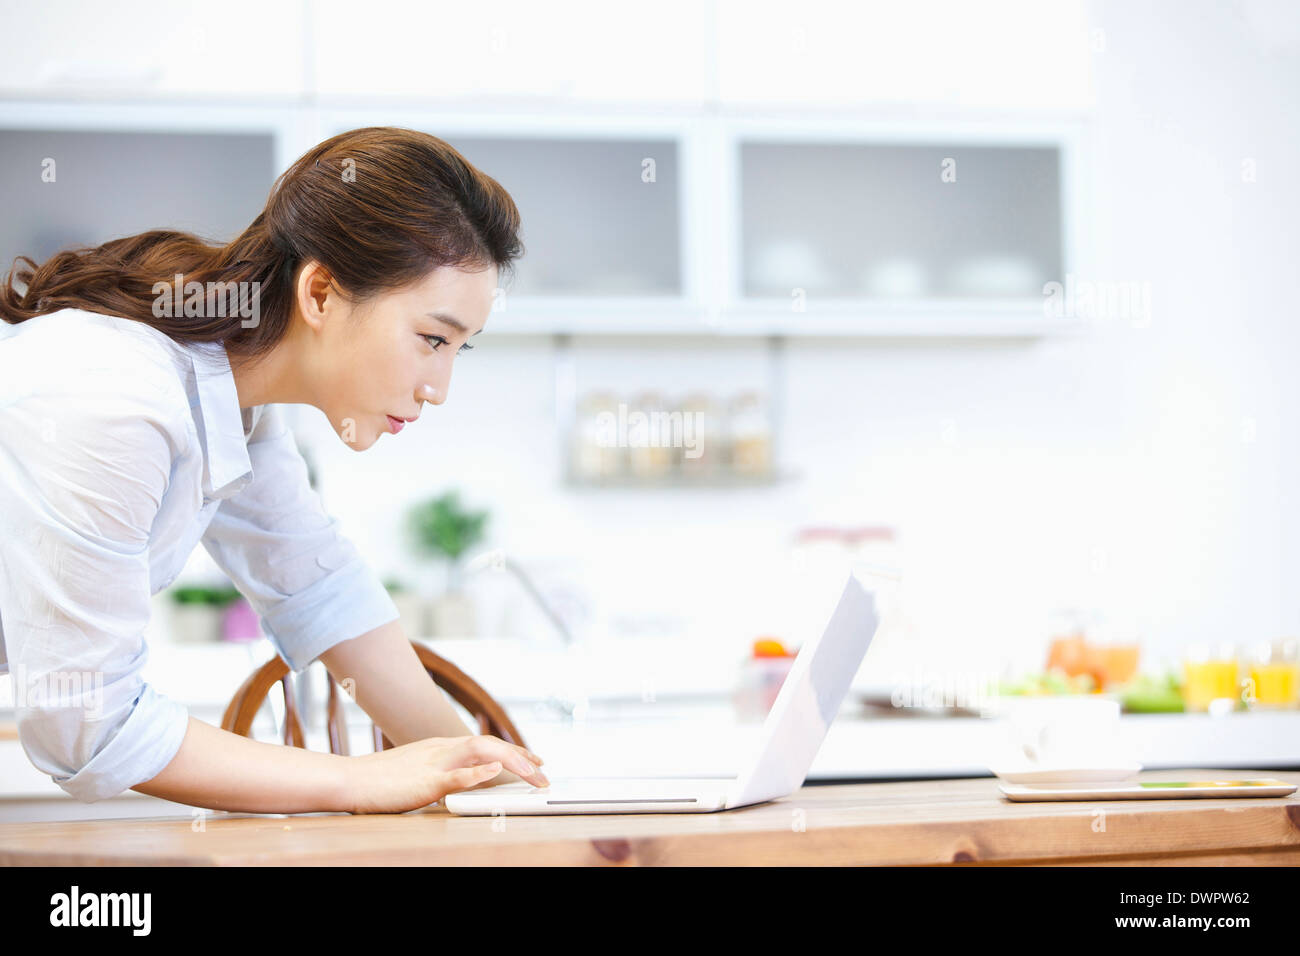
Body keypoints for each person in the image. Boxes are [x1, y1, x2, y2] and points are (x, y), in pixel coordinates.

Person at [0, 126, 547, 815]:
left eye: (457, 350)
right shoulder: (117, 399)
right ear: (320, 293)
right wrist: (359, 780)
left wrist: (482, 782)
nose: (437, 387)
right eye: (431, 339)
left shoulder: (232, 398)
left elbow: (321, 591)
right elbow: (87, 725)